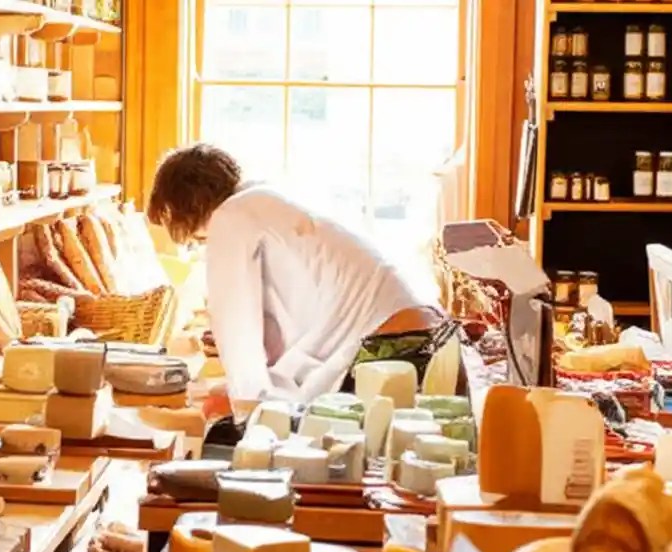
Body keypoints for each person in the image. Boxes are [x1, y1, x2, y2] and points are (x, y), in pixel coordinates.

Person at [146, 143, 447, 417]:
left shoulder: (231, 217)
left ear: (184, 206)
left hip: (388, 346)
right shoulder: (265, 201)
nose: (198, 243)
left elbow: (235, 324)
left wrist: (243, 404)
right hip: (419, 337)